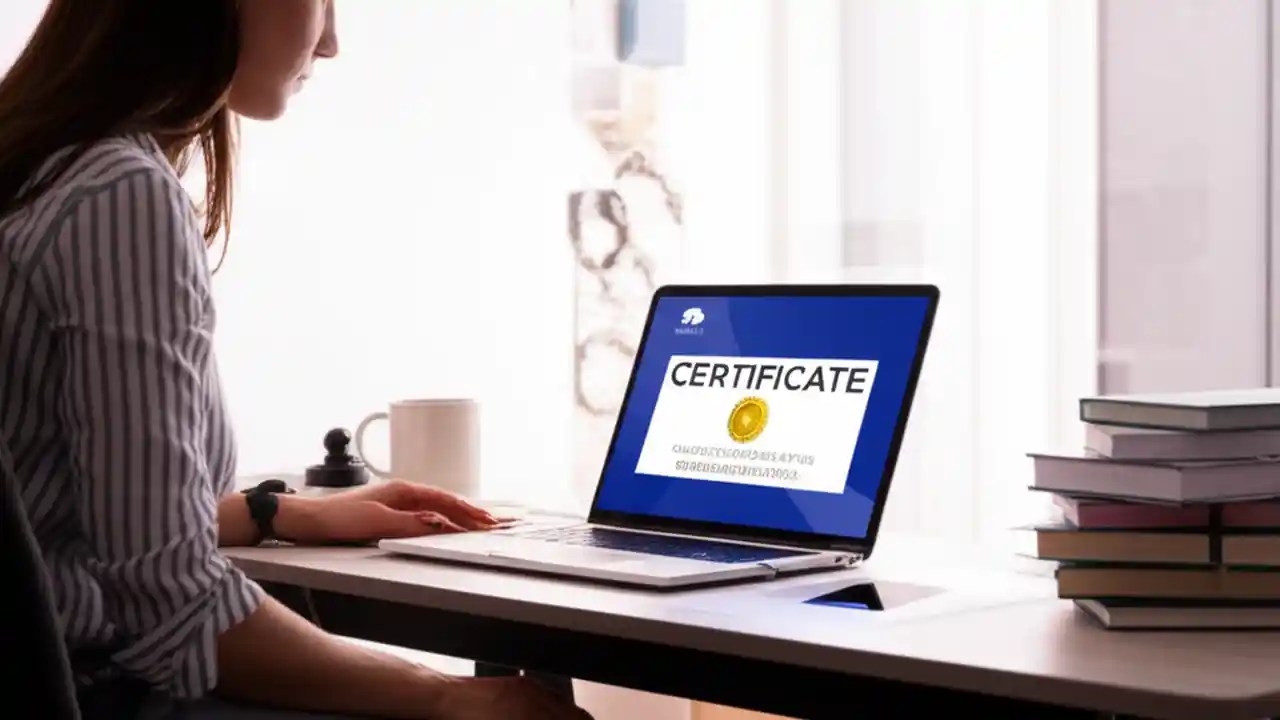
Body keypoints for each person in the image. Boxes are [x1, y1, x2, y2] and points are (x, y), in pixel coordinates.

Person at [0, 2, 592, 719]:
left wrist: (270, 511)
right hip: (103, 691)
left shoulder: (45, 167)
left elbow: (55, 520)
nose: (333, 40)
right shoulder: (118, 194)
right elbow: (176, 613)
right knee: (525, 704)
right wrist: (444, 696)